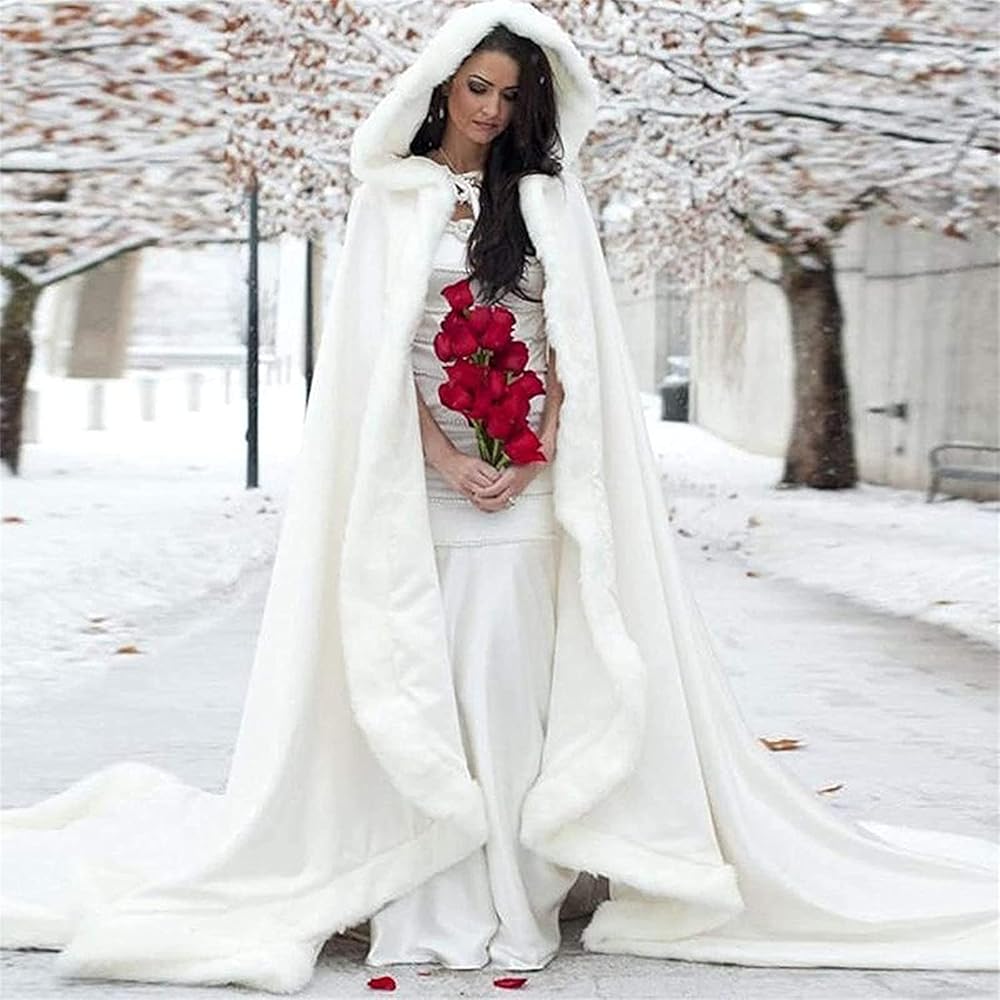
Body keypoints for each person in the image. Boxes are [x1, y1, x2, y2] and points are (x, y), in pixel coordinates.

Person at [1, 2, 996, 994]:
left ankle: (514, 890)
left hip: (528, 475)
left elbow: (573, 347)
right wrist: (442, 455)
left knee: (510, 672)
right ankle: (420, 884)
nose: (490, 109)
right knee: (420, 667)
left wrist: (535, 446)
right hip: (420, 480)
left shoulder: (549, 204)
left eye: (510, 95)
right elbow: (372, 363)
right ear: (441, 86)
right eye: (477, 87)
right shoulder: (390, 200)